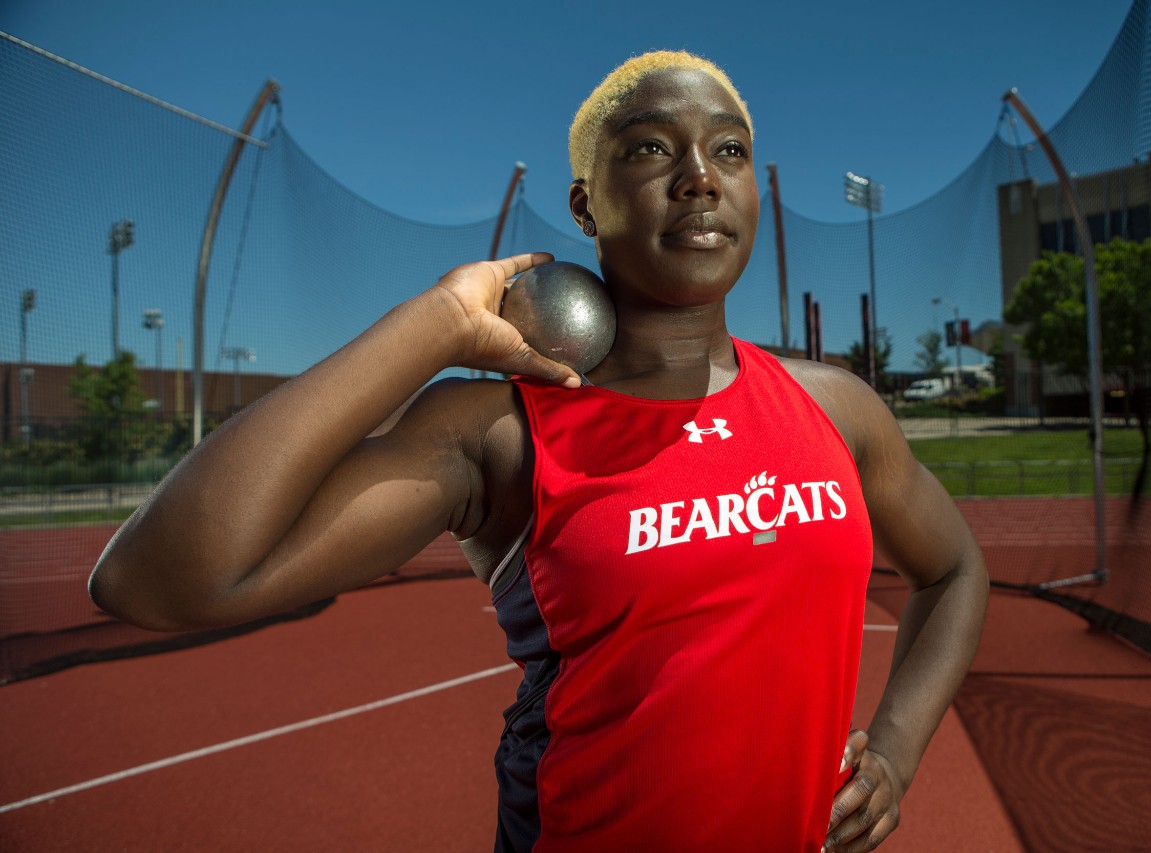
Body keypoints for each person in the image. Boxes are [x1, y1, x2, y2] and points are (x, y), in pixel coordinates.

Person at [89, 50, 988, 852]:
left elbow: (953, 572)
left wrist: (898, 754)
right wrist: (433, 326)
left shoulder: (837, 409)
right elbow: (161, 580)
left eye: (728, 151)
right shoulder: (501, 432)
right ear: (583, 205)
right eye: (648, 149)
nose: (699, 179)